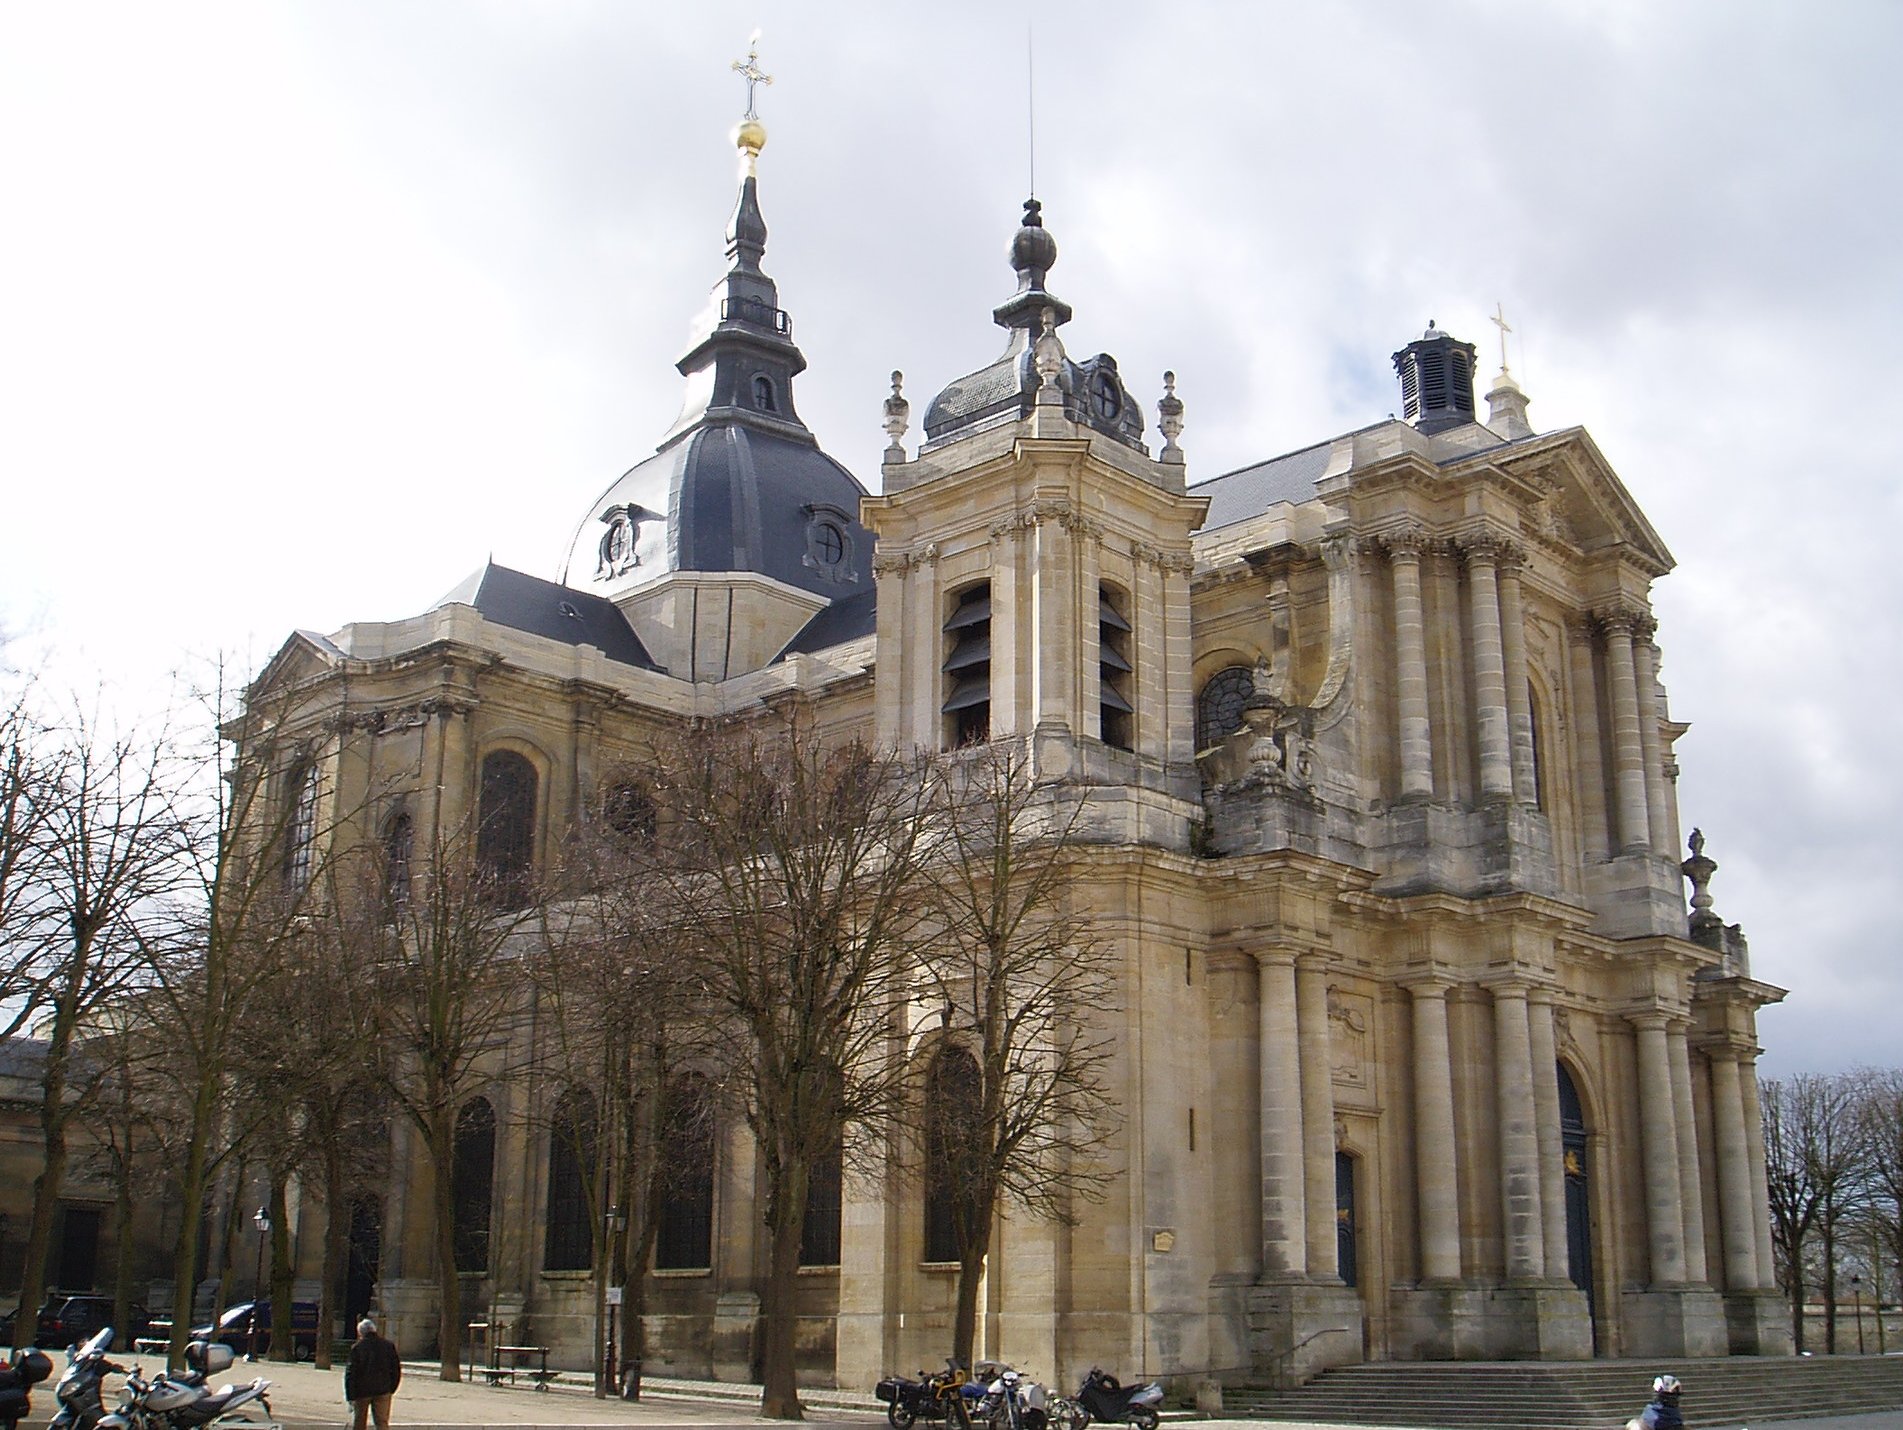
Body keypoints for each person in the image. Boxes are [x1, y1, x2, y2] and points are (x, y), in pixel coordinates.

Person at [344, 1317, 401, 1430]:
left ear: (361, 1333)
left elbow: (351, 1373)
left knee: (359, 1423)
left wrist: (350, 1396)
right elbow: (396, 1369)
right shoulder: (388, 1346)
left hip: (362, 1392)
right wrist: (391, 1388)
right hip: (383, 1390)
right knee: (382, 1423)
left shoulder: (357, 1348)